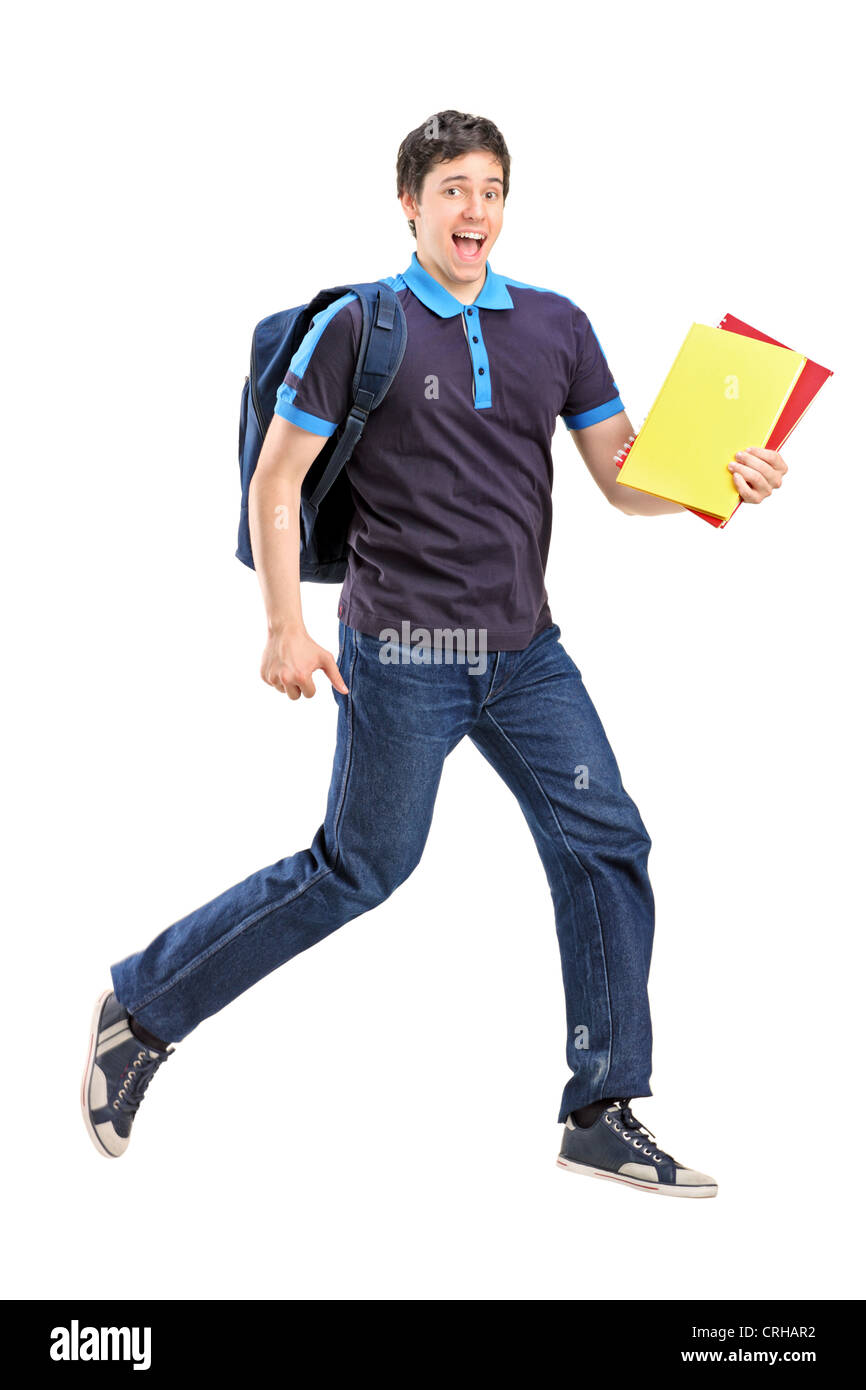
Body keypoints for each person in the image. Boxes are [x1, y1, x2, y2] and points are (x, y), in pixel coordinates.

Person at [82, 110, 787, 1195]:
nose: (475, 210)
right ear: (407, 204)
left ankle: (599, 1108)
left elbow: (620, 479)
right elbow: (275, 482)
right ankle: (142, 1010)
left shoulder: (554, 325)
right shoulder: (358, 326)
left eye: (492, 190)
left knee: (605, 840)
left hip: (524, 656)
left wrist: (715, 483)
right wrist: (283, 625)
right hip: (403, 650)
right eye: (453, 189)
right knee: (360, 866)